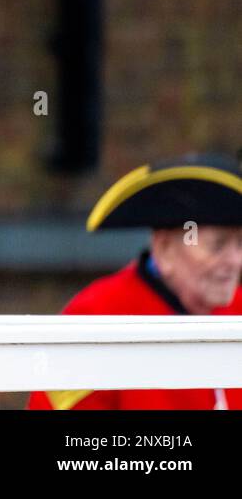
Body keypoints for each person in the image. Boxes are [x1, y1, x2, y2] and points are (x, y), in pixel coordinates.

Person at [28, 153, 242, 410]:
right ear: (164, 249)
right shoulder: (96, 317)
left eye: (240, 244)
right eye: (217, 246)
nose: (235, 261)